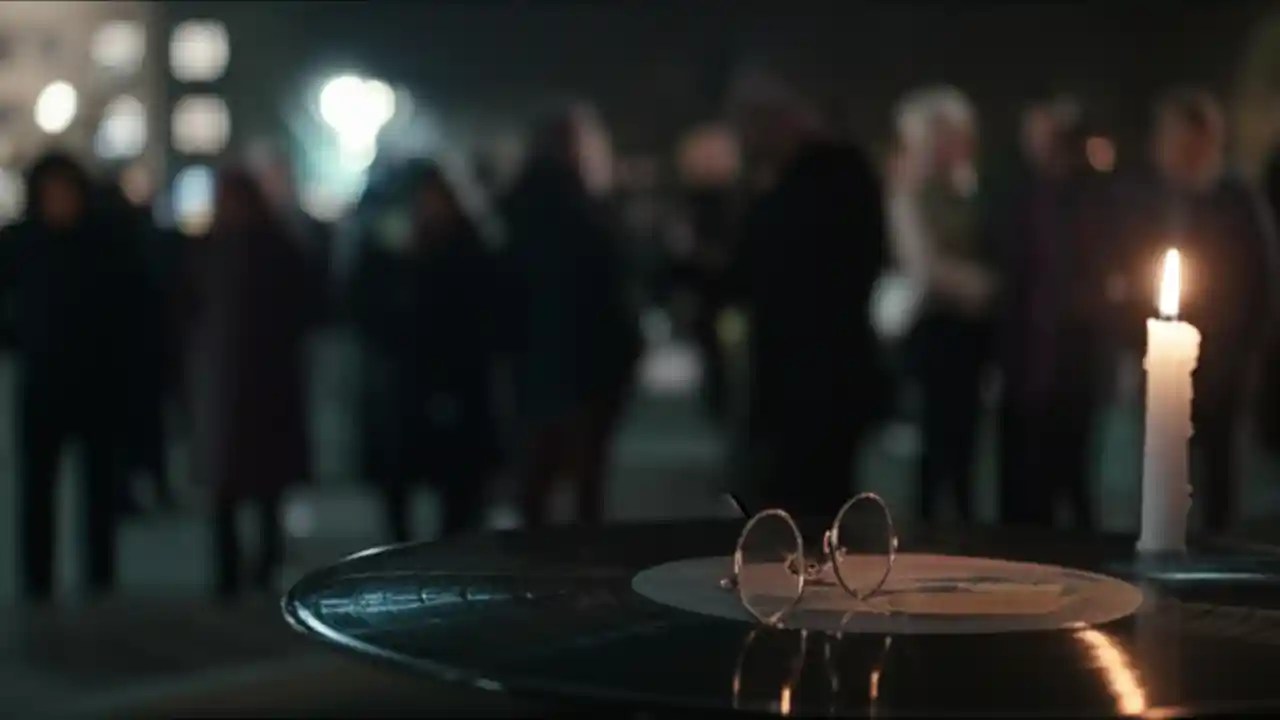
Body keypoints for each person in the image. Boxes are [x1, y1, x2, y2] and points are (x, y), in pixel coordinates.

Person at [1113, 89, 1278, 533]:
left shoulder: (1238, 203)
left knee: (1219, 478)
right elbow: (1128, 277)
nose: (1175, 155)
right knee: (1160, 472)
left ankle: (1217, 567)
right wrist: (1132, 350)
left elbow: (1260, 288)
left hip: (1224, 369)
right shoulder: (1148, 200)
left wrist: (1244, 362)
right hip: (1157, 366)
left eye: (1187, 144)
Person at [726, 72, 888, 517]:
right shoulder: (837, 175)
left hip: (812, 375)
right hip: (821, 372)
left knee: (801, 501)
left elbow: (758, 270)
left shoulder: (810, 183)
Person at [0, 152, 140, 599]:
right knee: (36, 487)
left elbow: (127, 310)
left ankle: (101, 577)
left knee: (98, 488)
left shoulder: (102, 243)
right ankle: (37, 579)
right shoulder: (22, 243)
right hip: (42, 381)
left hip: (95, 381)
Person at [500, 103, 641, 528]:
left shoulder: (512, 212)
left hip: (533, 372)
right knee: (584, 497)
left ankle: (530, 585)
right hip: (586, 375)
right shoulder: (590, 215)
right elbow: (612, 298)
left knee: (534, 493)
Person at [351, 161, 502, 541]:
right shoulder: (390, 250)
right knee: (400, 479)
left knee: (457, 484)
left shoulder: (468, 248)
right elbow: (361, 307)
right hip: (404, 384)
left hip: (455, 382)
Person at [185, 166, 318, 596]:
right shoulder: (211, 250)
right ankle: (230, 572)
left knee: (262, 485)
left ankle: (261, 564)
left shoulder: (272, 250)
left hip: (261, 384)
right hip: (226, 384)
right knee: (228, 487)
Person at [995, 96, 1111, 528]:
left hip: (1072, 358)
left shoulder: (1090, 198)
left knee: (1073, 474)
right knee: (1023, 482)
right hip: (1024, 358)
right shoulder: (1016, 195)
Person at [888, 86, 995, 523]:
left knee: (965, 445)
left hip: (969, 335)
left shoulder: (968, 189)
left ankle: (962, 530)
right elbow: (925, 267)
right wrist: (982, 285)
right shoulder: (911, 193)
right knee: (935, 447)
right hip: (934, 331)